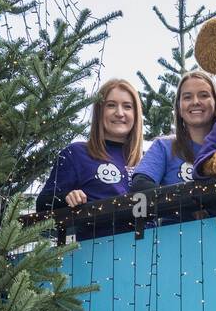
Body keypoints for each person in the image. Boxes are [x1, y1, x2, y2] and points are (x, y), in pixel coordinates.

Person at [35, 78, 144, 237]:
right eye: (111, 105)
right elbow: (43, 204)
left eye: (127, 106)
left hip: (149, 251)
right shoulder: (76, 154)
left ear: (136, 114)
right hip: (96, 253)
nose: (119, 113)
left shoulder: (148, 161)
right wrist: (67, 198)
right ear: (100, 111)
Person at [130, 71, 216, 195]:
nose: (195, 102)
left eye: (203, 95)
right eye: (187, 97)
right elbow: (140, 184)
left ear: (215, 104)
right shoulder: (163, 147)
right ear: (179, 108)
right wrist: (187, 203)